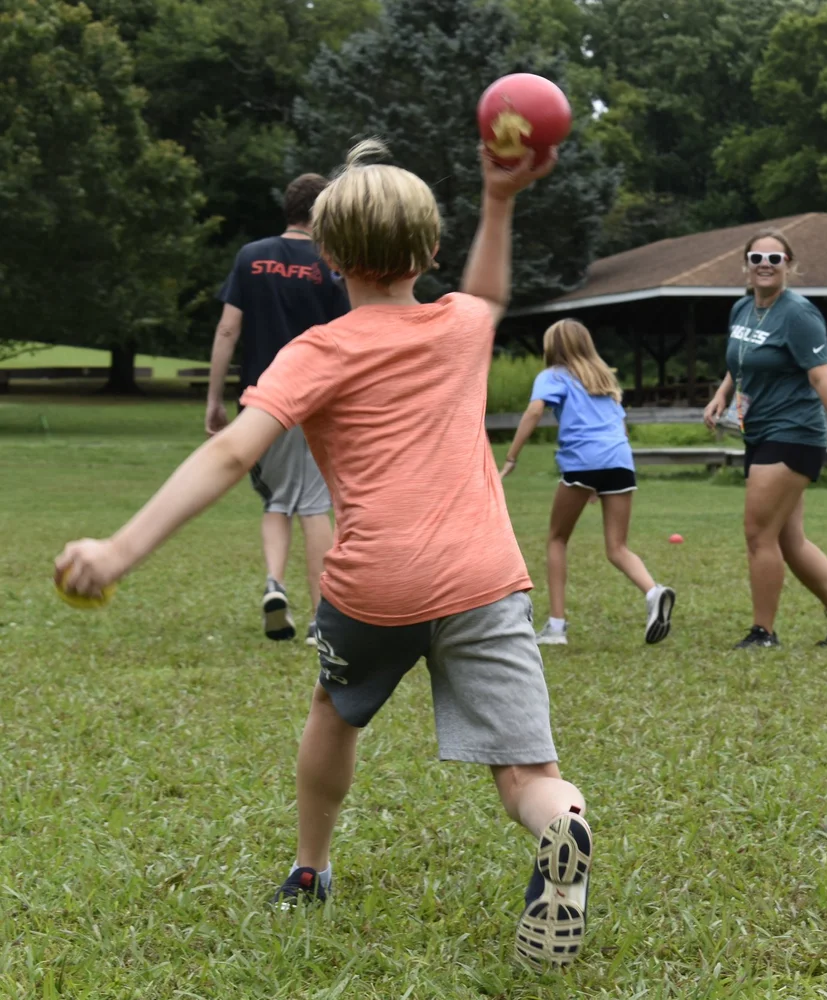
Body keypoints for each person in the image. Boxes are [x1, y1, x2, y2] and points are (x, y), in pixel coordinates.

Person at [54, 141, 594, 970]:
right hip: (485, 578)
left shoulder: (315, 353)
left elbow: (232, 455)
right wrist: (499, 197)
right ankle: (560, 824)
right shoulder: (462, 324)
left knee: (334, 711)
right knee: (527, 773)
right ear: (429, 254)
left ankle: (310, 870)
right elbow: (489, 289)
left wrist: (120, 548)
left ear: (328, 256)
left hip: (375, 586)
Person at [702, 229, 827, 649]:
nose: (765, 264)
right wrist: (722, 393)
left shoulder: (799, 314)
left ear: (789, 266)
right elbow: (740, 360)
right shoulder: (742, 309)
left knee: (758, 534)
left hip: (794, 433)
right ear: (745, 264)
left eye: (774, 259)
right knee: (788, 539)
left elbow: (821, 378)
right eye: (757, 257)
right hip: (758, 430)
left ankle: (763, 632)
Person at [207, 174, 348, 645]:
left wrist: (214, 399)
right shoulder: (331, 263)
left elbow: (228, 331)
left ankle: (274, 584)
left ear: (288, 209)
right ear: (322, 211)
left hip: (263, 398)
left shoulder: (251, 256)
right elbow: (348, 337)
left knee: (276, 500)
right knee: (313, 506)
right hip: (317, 398)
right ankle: (320, 621)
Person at [502, 318, 675, 646]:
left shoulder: (552, 376)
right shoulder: (605, 379)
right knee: (617, 547)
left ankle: (556, 627)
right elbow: (620, 429)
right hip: (620, 462)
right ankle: (653, 592)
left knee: (557, 539)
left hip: (583, 462)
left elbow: (534, 412)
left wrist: (511, 457)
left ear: (553, 347)